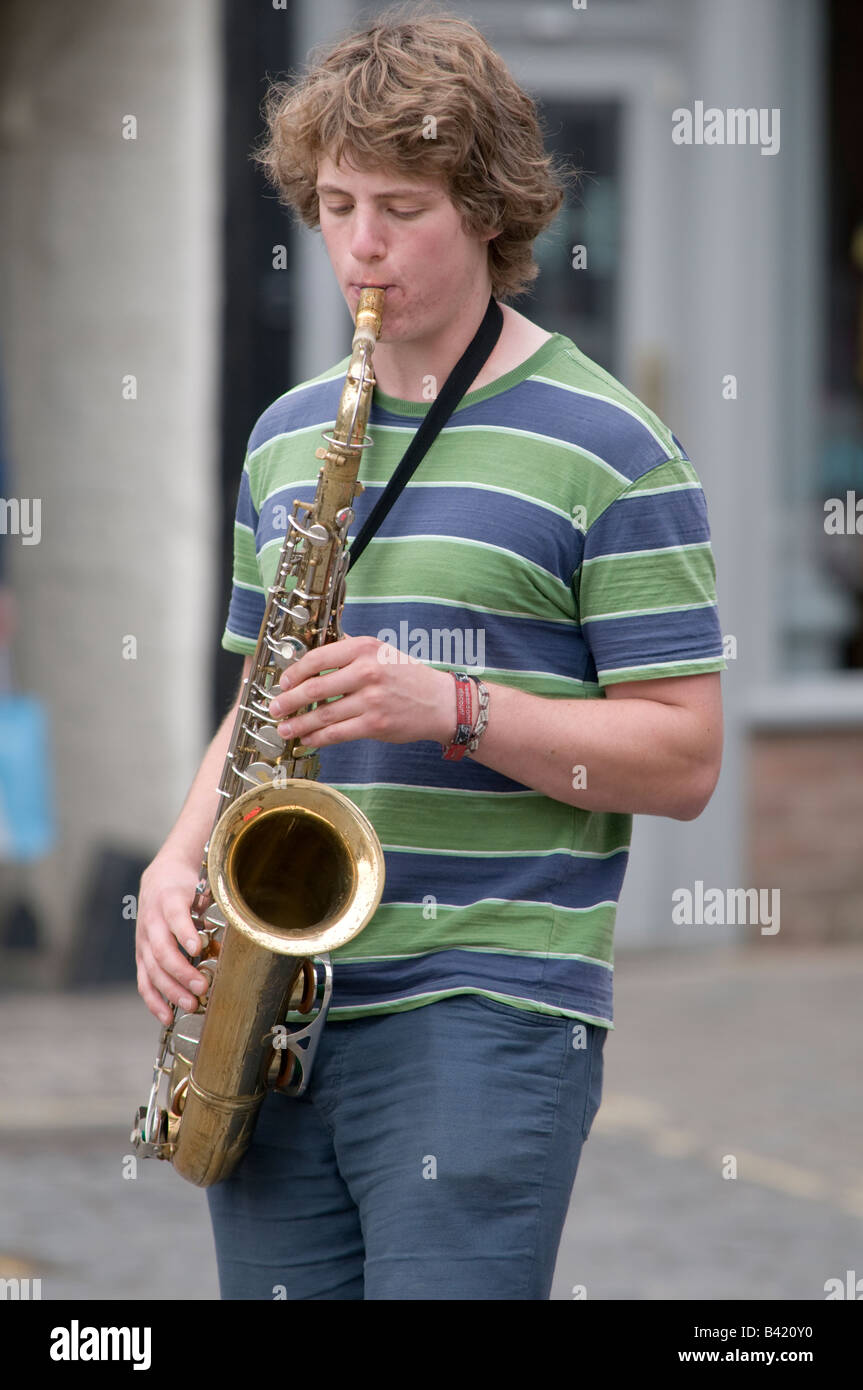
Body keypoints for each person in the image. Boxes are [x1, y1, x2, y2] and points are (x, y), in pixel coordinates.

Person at [135, 6, 725, 1300]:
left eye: (401, 207)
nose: (359, 245)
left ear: (491, 213)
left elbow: (683, 758)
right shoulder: (287, 437)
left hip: (490, 999)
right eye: (335, 203)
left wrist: (453, 704)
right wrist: (180, 864)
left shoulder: (613, 446)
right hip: (277, 1001)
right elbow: (261, 694)